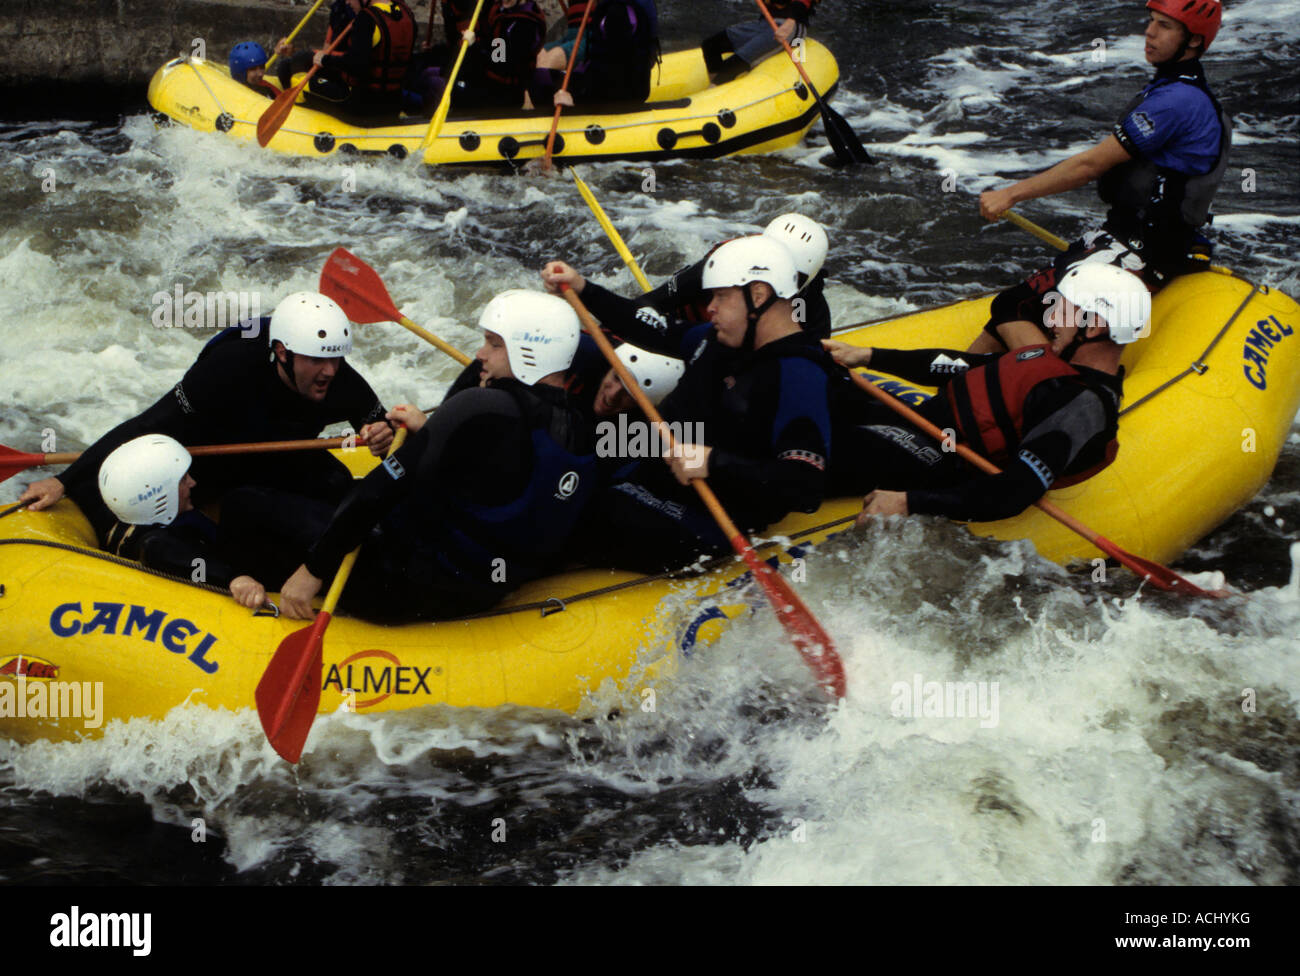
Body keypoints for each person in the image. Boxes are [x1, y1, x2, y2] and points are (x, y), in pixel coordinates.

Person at [276, 290, 600, 622]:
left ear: (529, 349)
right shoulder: (580, 427)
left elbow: (377, 491)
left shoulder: (481, 405)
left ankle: (254, 587)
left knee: (248, 505)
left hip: (402, 586)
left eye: (494, 343)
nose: (480, 354)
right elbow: (496, 479)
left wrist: (314, 569)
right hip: (485, 588)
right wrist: (431, 433)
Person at [542, 235, 833, 573]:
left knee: (565, 517)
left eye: (721, 297)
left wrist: (713, 462)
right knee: (553, 474)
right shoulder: (717, 340)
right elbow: (653, 329)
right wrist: (583, 288)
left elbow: (805, 487)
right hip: (647, 474)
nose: (710, 308)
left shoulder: (799, 374)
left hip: (704, 518)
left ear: (758, 295)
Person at [19, 291, 394, 544]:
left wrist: (382, 435)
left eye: (336, 359)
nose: (329, 371)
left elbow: (386, 431)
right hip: (210, 460)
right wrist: (63, 481)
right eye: (316, 360)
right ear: (282, 352)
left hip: (274, 458)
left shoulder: (343, 381)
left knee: (337, 479)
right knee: (217, 511)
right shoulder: (227, 370)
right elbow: (149, 424)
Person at [972, 0, 1230, 355]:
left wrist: (1012, 194)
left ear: (1195, 42)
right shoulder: (1173, 89)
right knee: (1002, 319)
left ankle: (1054, 389)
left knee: (1011, 309)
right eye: (1152, 21)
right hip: (1122, 233)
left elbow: (1090, 166)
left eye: (1166, 26)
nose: (1150, 32)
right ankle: (949, 385)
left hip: (1147, 248)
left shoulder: (1177, 102)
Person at [823, 264, 1152, 524]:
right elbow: (961, 365)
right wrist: (867, 355)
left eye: (1061, 312)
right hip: (922, 423)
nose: (1050, 319)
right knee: (819, 396)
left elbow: (1015, 492)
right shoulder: (1050, 359)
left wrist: (909, 502)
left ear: (1092, 327)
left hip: (936, 460)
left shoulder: (1083, 406)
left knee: (811, 442)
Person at [96, 435, 270, 609]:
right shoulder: (156, 545)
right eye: (183, 480)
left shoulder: (125, 512)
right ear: (159, 496)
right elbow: (186, 562)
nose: (192, 483)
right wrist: (233, 578)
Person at [644, 212, 832, 339]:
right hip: (688, 337)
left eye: (791, 276)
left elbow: (813, 354)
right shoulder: (719, 266)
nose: (773, 282)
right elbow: (652, 303)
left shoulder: (809, 304)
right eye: (770, 267)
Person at [417, 0, 548, 111]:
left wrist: (474, 44)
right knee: (427, 73)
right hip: (484, 77)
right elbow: (489, 45)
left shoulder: (524, 24)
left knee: (435, 84)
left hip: (501, 93)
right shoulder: (501, 9)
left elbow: (500, 61)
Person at [541, 0, 659, 109]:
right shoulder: (608, 9)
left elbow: (614, 76)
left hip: (618, 94)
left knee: (547, 67)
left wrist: (575, 100)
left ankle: (529, 113)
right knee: (539, 72)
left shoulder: (619, 13)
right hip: (600, 78)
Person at [311, 0, 418, 115]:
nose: (347, 2)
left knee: (310, 83)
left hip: (363, 106)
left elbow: (356, 65)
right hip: (394, 103)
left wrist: (324, 60)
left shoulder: (366, 18)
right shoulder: (407, 14)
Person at [702, 0, 815, 85]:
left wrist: (791, 21)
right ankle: (716, 86)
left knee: (734, 63)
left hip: (790, 26)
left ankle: (715, 91)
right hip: (765, 22)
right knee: (711, 45)